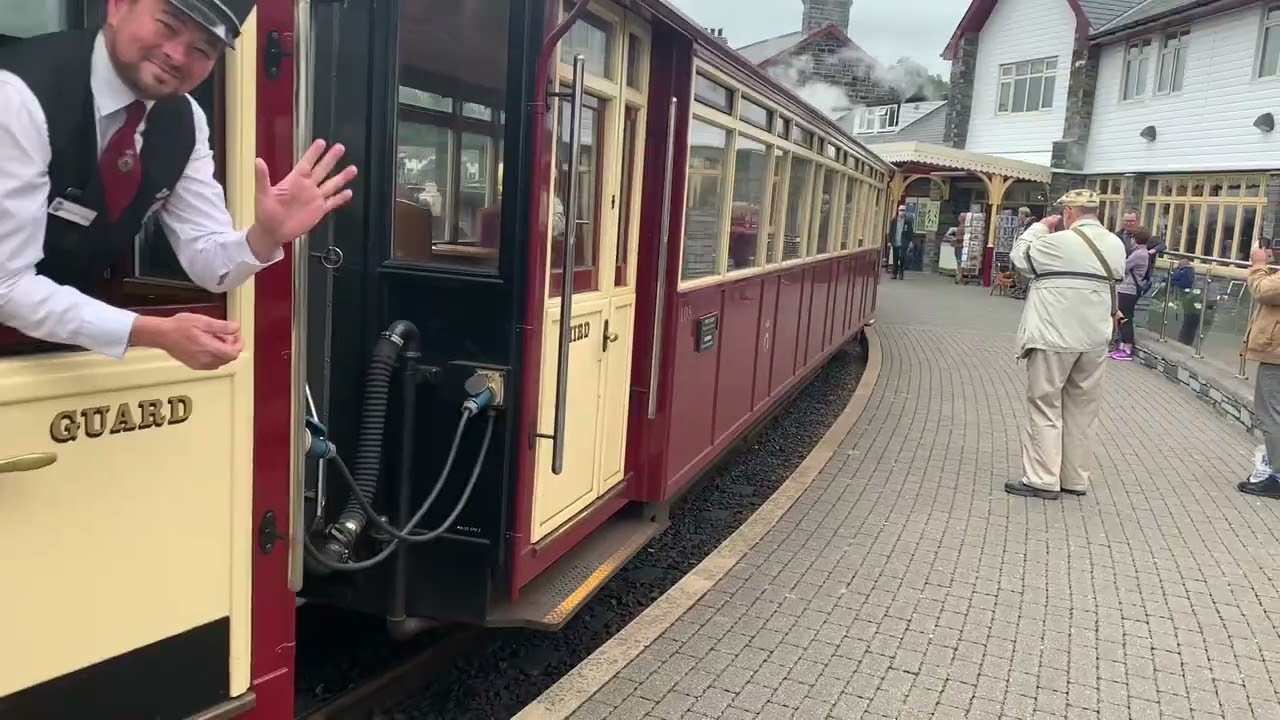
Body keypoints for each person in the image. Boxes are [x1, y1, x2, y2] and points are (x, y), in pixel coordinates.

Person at [0, 0, 357, 371]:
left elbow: (208, 260)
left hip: (58, 355)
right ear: (118, 7)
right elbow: (6, 286)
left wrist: (266, 235)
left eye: (203, 49)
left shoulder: (185, 119)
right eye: (167, 26)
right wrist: (153, 331)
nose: (177, 55)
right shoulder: (17, 96)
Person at [1005, 189, 1126, 500]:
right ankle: (1074, 478)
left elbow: (1020, 257)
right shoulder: (1116, 244)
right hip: (1094, 340)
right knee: (1082, 410)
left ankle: (1042, 478)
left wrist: (1039, 227)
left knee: (1045, 404)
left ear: (1069, 212)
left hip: (1054, 337)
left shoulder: (1057, 242)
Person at [1240, 238, 1280, 497]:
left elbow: (1263, 290)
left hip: (1277, 356)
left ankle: (1277, 477)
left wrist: (1258, 264)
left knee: (1272, 415)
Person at [1109, 226, 1151, 361]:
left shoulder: (1139, 254)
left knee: (1125, 318)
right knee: (1122, 318)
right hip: (1128, 289)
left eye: (1132, 238)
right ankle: (1121, 346)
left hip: (1129, 289)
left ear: (1134, 239)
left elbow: (1124, 268)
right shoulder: (1141, 252)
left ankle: (1127, 348)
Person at [887, 205, 913, 280]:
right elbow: (890, 231)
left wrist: (910, 241)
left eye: (903, 210)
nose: (902, 212)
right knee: (895, 258)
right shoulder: (893, 221)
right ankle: (894, 273)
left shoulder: (907, 221)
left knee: (902, 258)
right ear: (898, 211)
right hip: (895, 241)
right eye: (900, 210)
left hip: (904, 243)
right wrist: (889, 241)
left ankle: (901, 273)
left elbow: (910, 232)